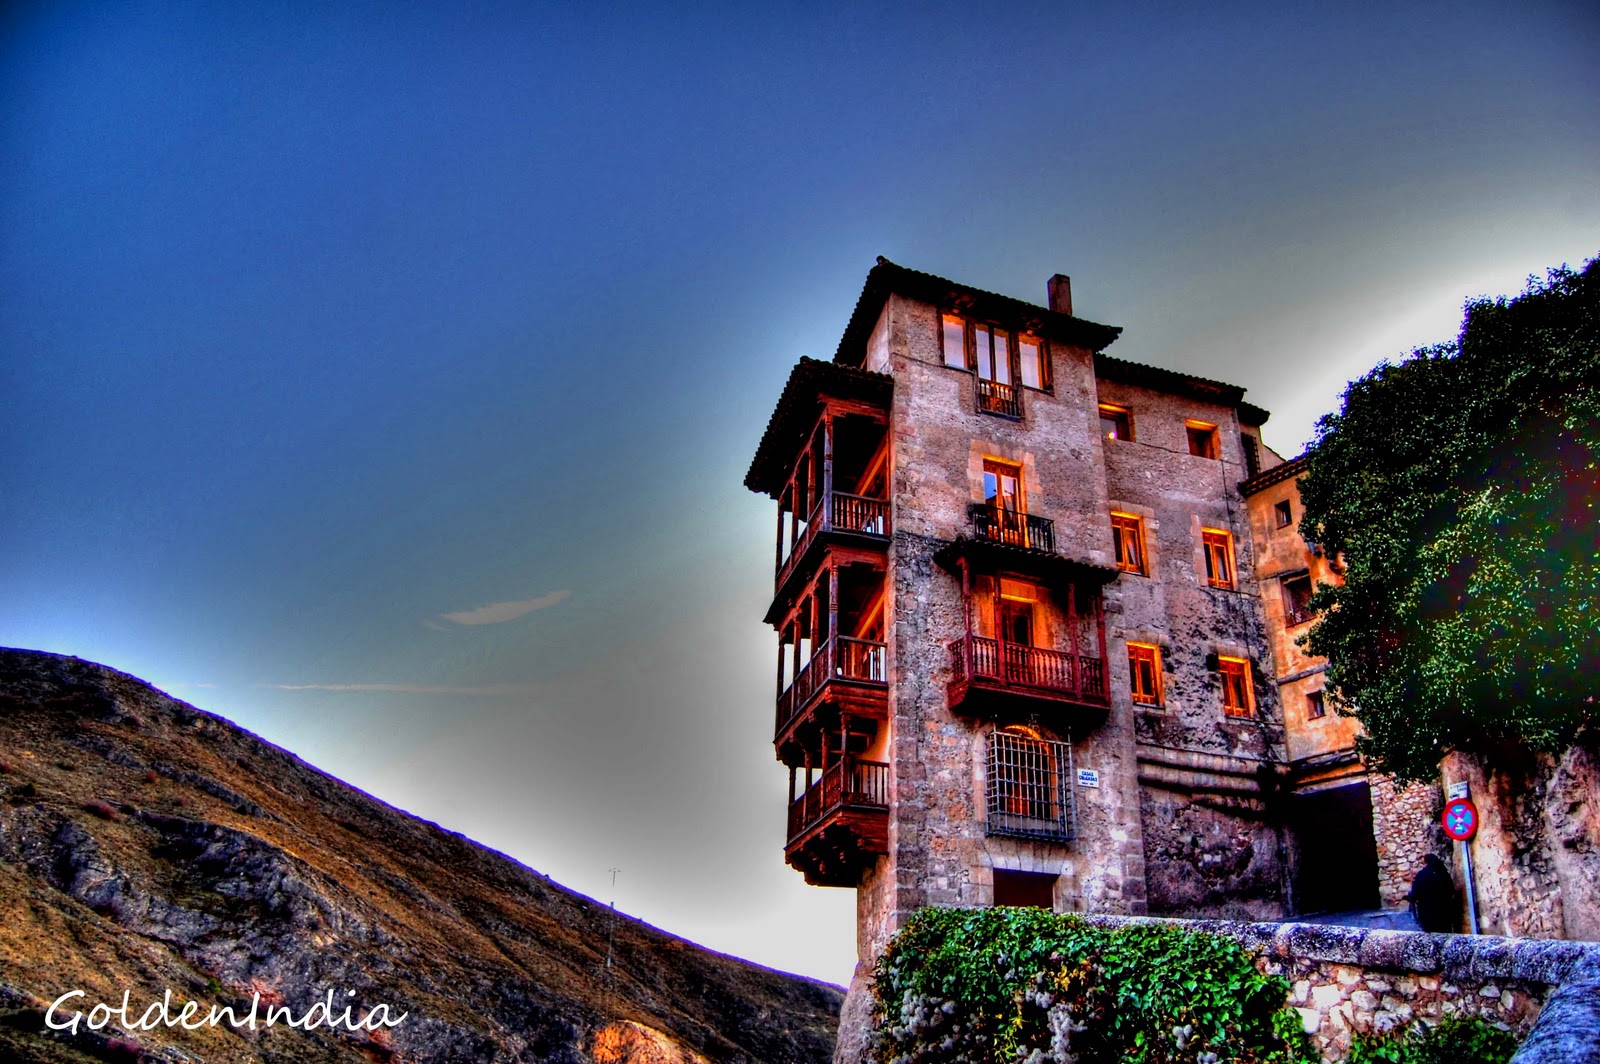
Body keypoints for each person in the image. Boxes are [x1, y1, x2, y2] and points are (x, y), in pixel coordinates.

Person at [1407, 853, 1458, 933]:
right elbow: (1451, 890)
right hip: (1445, 913)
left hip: (1428, 914)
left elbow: (1415, 893)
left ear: (1426, 862)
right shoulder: (1444, 874)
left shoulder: (1422, 875)